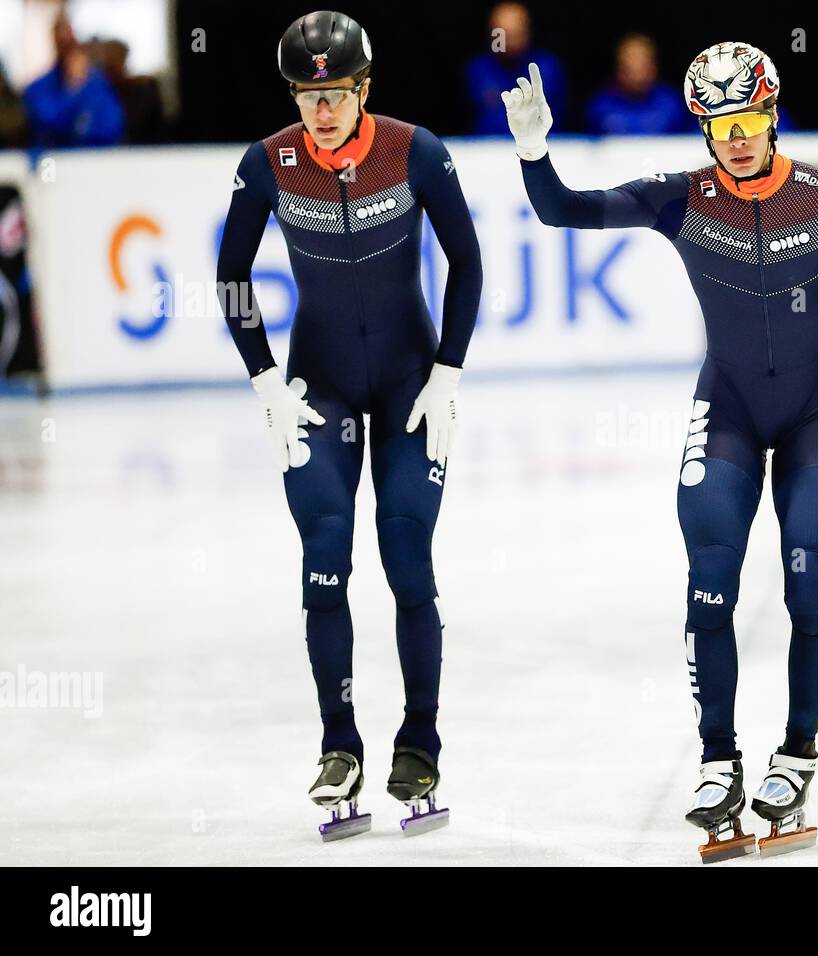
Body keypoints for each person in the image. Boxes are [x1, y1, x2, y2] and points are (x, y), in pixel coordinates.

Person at [503, 42, 818, 862]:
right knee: (711, 589)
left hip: (815, 415)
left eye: (748, 120)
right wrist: (534, 152)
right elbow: (563, 210)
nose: (736, 138)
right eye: (719, 124)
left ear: (772, 116)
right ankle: (717, 760)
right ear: (702, 127)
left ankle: (797, 754)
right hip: (729, 413)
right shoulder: (680, 198)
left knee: (809, 585)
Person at [215, 11, 482, 840]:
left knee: (407, 556)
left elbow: (468, 263)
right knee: (325, 554)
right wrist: (263, 377)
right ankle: (339, 744)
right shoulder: (268, 163)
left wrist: (448, 370)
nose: (319, 109)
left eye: (333, 93)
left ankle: (420, 740)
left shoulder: (415, 150)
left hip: (408, 386)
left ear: (363, 89)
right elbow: (231, 276)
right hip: (319, 387)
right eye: (305, 94)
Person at [22, 13, 124, 148]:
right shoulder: (39, 87)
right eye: (60, 37)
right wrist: (72, 89)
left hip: (96, 160)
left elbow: (111, 126)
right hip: (52, 159)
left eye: (68, 37)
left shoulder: (96, 85)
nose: (64, 42)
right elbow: (48, 121)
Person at [466, 2, 566, 135]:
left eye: (516, 34)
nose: (509, 41)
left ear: (527, 32)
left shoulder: (547, 67)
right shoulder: (477, 69)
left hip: (542, 146)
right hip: (488, 148)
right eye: (501, 35)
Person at [585, 34, 694, 135]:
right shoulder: (600, 107)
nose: (636, 77)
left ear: (653, 68)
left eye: (642, 68)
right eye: (629, 69)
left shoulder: (675, 104)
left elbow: (693, 142)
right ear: (618, 69)